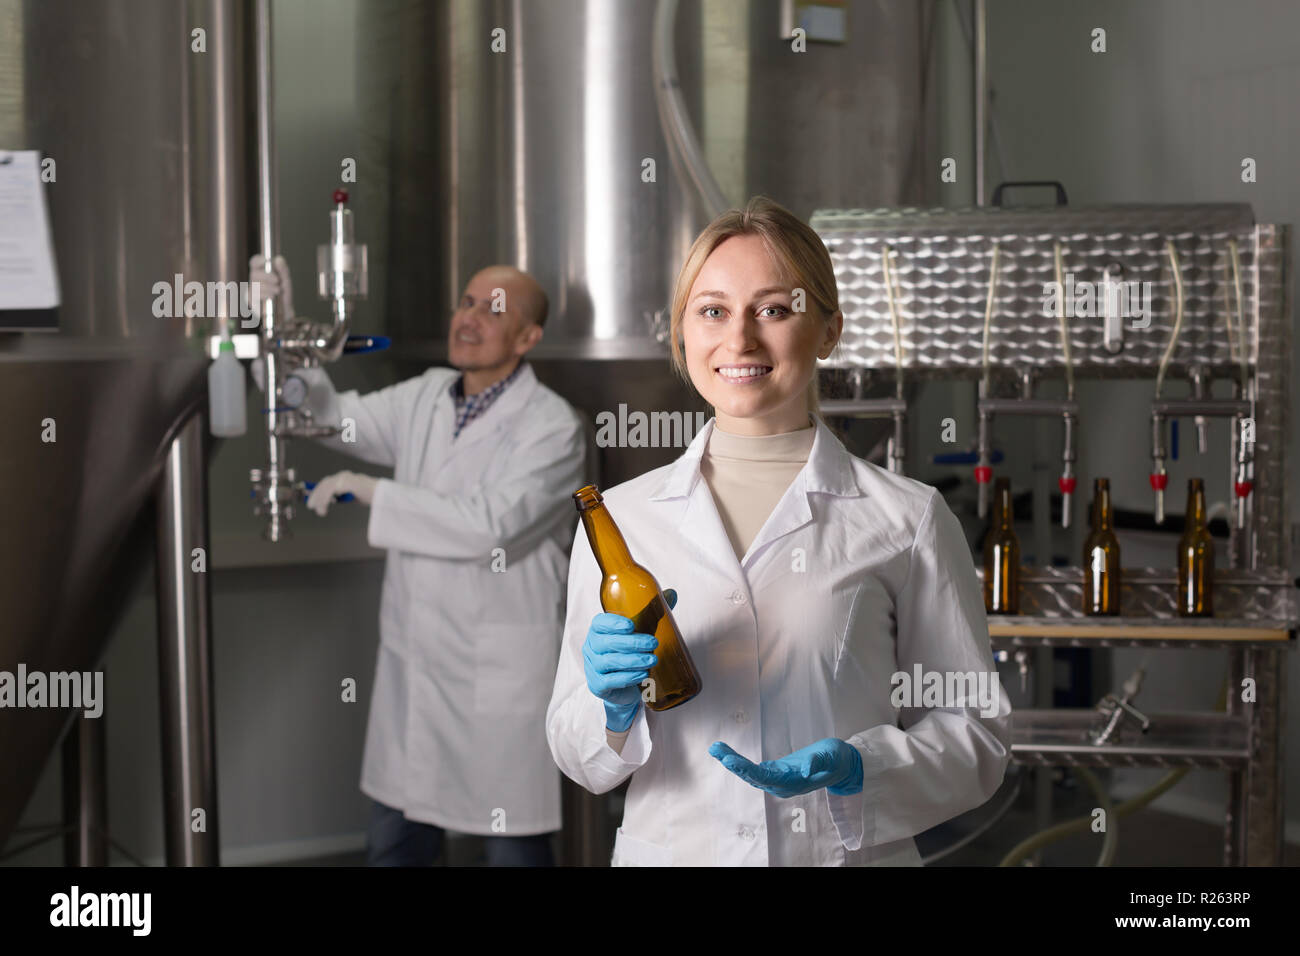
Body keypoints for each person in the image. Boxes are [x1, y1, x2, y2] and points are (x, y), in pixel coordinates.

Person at [546, 197, 1012, 866]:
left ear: (827, 331)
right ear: (683, 333)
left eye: (773, 309)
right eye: (712, 311)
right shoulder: (622, 521)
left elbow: (978, 735)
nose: (739, 340)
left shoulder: (906, 519)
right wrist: (611, 712)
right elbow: (576, 752)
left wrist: (862, 767)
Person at [264, 262, 586, 865]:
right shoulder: (424, 397)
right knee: (395, 846)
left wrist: (371, 490)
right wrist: (278, 332)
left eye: (492, 310)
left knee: (513, 852)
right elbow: (327, 414)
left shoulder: (553, 426)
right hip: (415, 676)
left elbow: (489, 525)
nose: (468, 319)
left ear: (527, 338)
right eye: (465, 303)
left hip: (498, 681)